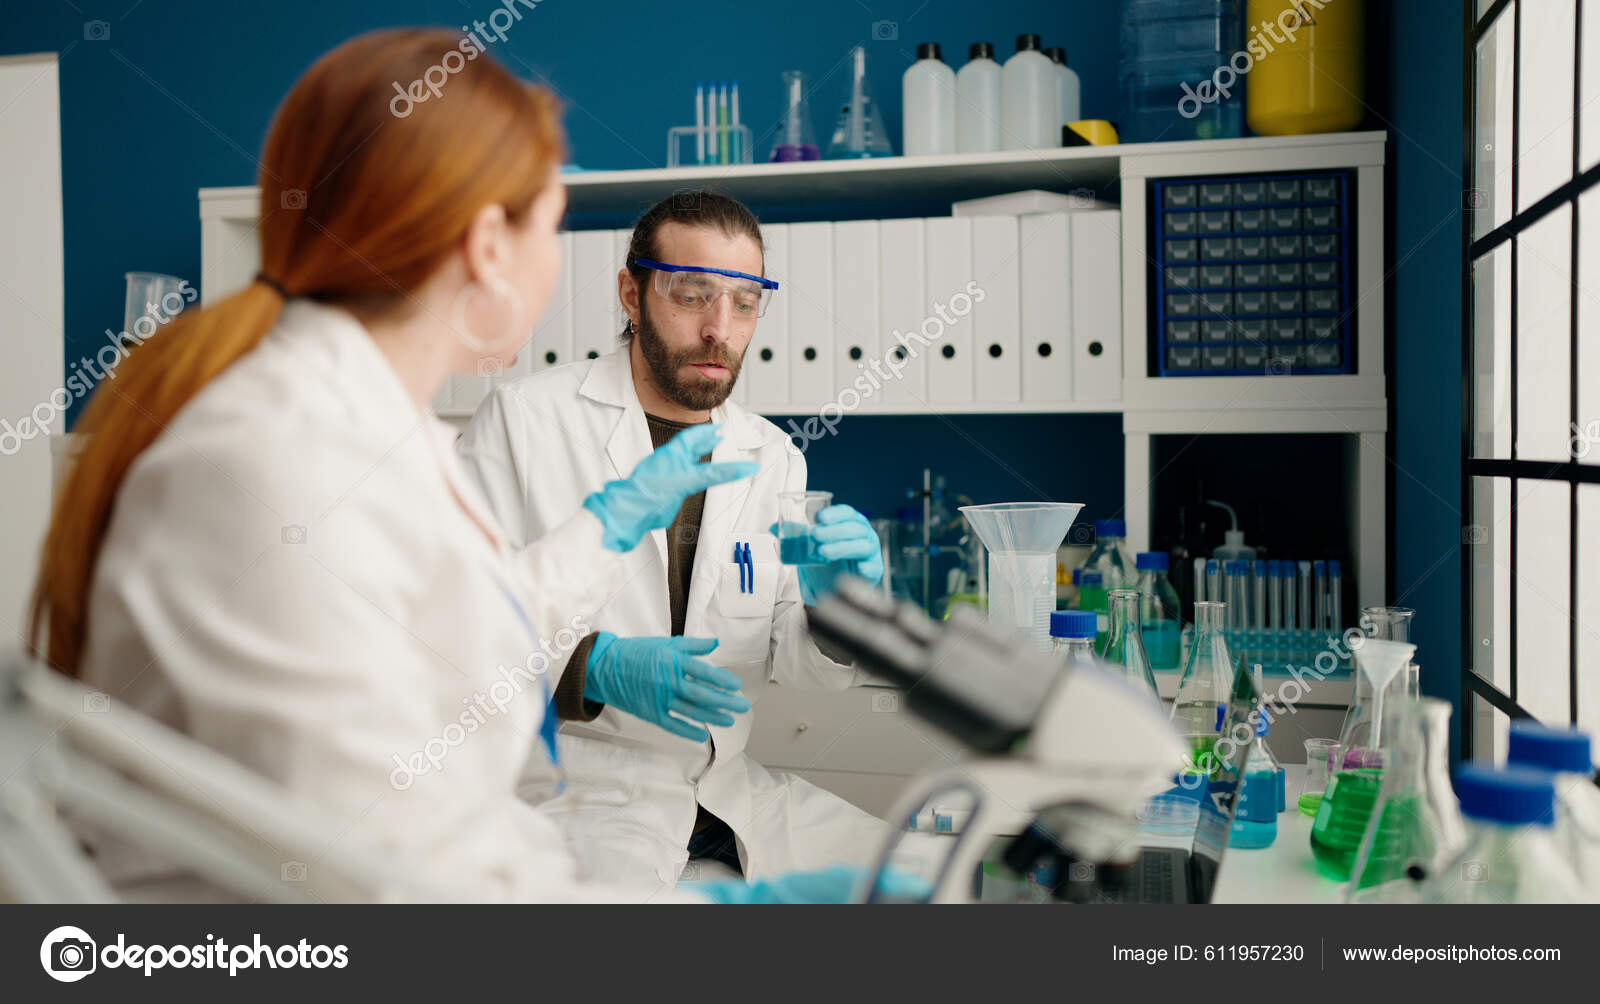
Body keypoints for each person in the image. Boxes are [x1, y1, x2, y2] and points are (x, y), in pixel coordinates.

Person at [26, 30, 894, 905]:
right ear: (487, 246)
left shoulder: (354, 424)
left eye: (742, 302)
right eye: (551, 227)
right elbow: (382, 862)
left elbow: (452, 651)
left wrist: (601, 535)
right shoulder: (293, 459)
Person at [457, 190, 899, 890]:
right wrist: (590, 667)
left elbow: (799, 666)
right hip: (574, 791)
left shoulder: (772, 455)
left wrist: (838, 610)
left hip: (727, 792)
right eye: (692, 296)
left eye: (744, 303)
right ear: (631, 294)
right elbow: (445, 634)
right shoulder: (525, 423)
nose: (719, 328)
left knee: (937, 876)